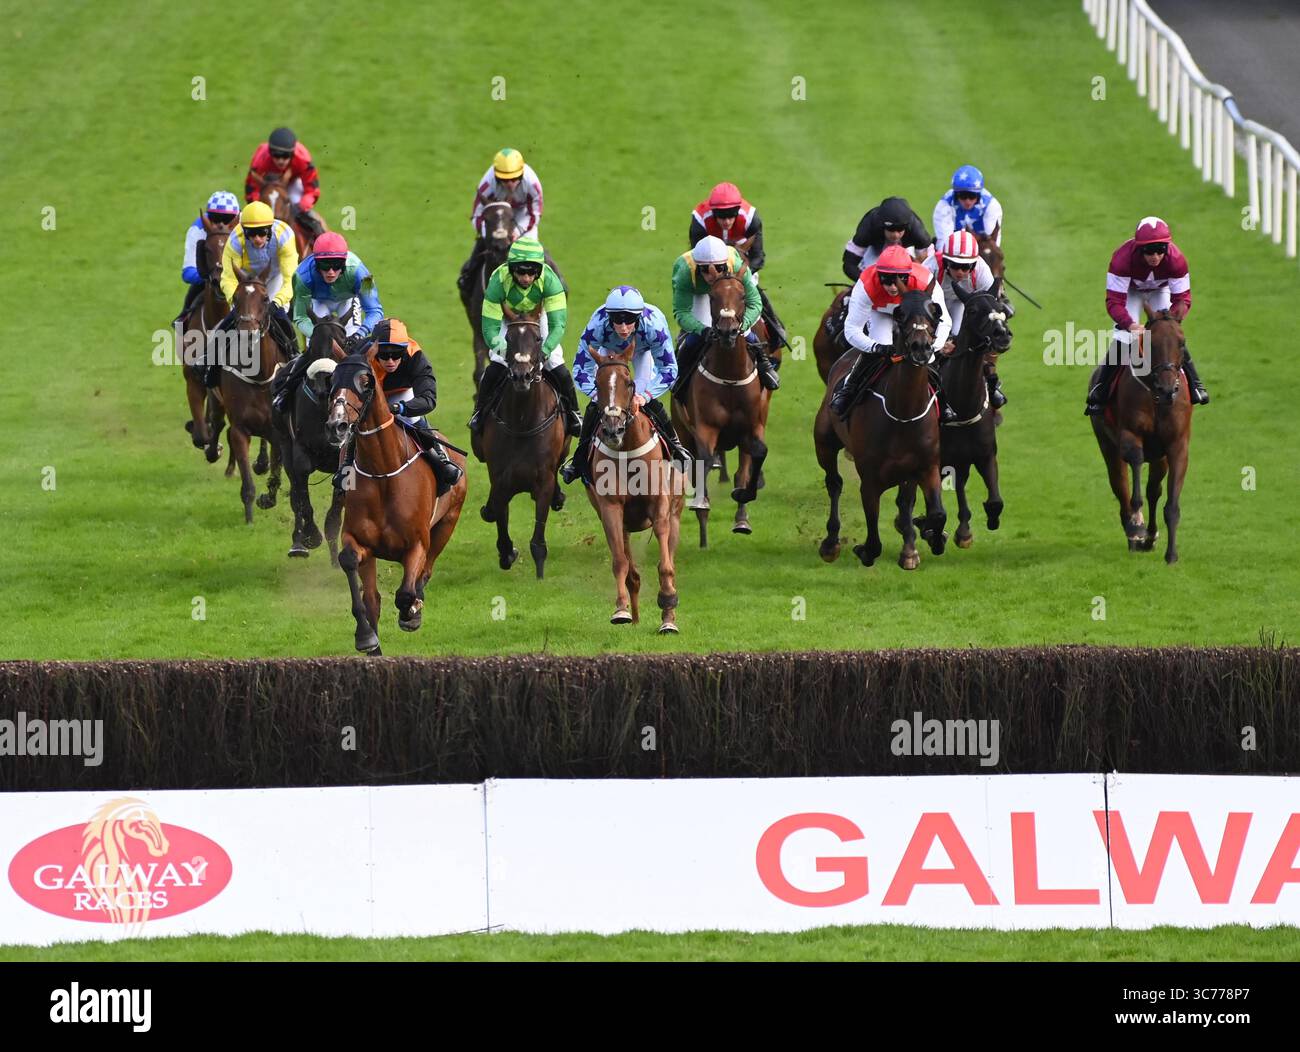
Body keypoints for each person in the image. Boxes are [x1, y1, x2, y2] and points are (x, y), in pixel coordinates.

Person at [561, 286, 691, 485]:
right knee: (601, 403)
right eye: (617, 320)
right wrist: (600, 397)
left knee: (643, 396)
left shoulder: (653, 325)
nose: (623, 327)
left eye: (629, 320)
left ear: (638, 318)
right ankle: (579, 459)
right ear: (608, 317)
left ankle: (675, 446)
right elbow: (580, 369)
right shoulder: (597, 324)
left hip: (642, 351)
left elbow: (669, 370)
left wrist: (644, 396)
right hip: (608, 353)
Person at [1086, 216, 1206, 415]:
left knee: (1169, 337)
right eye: (1149, 251)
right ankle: (1100, 388)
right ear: (1139, 248)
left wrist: (1172, 320)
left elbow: (1183, 299)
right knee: (1125, 337)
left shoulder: (1176, 260)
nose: (1155, 256)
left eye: (1161, 250)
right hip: (1131, 291)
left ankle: (1195, 384)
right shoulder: (1122, 259)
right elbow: (1114, 302)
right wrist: (1131, 325)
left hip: (1160, 290)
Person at [334, 319, 464, 495]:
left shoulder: (416, 357)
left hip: (399, 394)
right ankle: (346, 471)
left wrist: (399, 408)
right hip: (368, 394)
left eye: (396, 355)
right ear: (373, 348)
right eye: (384, 355)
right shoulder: (361, 351)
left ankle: (439, 459)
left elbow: (428, 399)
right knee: (355, 424)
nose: (390, 361)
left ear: (404, 350)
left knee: (412, 420)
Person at [468, 237, 580, 435]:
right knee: (495, 363)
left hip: (539, 318)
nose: (527, 277)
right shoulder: (498, 279)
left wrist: (544, 352)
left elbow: (557, 326)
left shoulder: (551, 281)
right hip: (506, 319)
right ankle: (479, 413)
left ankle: (574, 413)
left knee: (555, 362)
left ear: (539, 270)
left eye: (532, 272)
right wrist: (505, 352)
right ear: (511, 268)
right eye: (521, 272)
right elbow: (489, 328)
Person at [828, 244, 952, 421]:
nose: (893, 287)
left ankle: (942, 400)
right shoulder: (866, 285)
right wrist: (877, 347)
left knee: (927, 355)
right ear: (878, 275)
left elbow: (945, 321)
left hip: (913, 316)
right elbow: (851, 329)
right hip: (880, 312)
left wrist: (934, 346)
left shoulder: (924, 280)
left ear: (908, 276)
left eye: (899, 279)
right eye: (886, 279)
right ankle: (848, 389)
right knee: (879, 349)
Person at [272, 233, 383, 414]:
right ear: (316, 264)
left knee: (354, 352)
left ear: (344, 263)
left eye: (336, 266)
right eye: (324, 266)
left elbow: (375, 310)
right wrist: (317, 335)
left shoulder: (362, 274)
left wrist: (359, 333)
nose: (330, 272)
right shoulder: (301, 276)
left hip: (347, 301)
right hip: (318, 301)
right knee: (315, 350)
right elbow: (300, 317)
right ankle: (285, 391)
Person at [670, 235, 776, 397]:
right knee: (696, 334)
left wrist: (743, 325)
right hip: (700, 294)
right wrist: (702, 330)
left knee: (745, 332)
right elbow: (681, 312)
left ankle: (765, 364)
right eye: (705, 269)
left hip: (728, 290)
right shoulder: (684, 270)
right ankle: (680, 375)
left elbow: (755, 303)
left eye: (719, 267)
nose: (713, 274)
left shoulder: (736, 263)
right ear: (697, 267)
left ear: (726, 264)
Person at [689, 181, 789, 353]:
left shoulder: (751, 218)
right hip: (709, 271)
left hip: (741, 266)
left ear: (737, 211)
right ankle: (683, 353)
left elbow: (758, 257)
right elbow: (696, 258)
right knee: (697, 321)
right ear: (713, 214)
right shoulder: (700, 220)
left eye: (730, 216)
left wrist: (738, 276)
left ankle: (775, 327)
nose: (726, 222)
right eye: (721, 217)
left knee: (755, 289)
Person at [208, 201, 299, 386]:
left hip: (274, 278)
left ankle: (294, 357)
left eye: (262, 233)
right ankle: (210, 366)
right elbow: (227, 277)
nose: (257, 239)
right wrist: (237, 300)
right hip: (246, 280)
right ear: (244, 231)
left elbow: (291, 279)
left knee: (281, 318)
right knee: (230, 322)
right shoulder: (234, 239)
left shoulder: (285, 235)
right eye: (251, 233)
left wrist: (277, 302)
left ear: (270, 230)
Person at [923, 230, 1007, 407]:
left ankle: (991, 381)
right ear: (945, 261)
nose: (960, 272)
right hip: (931, 304)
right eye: (954, 265)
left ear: (974, 265)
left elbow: (989, 306)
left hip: (962, 304)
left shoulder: (982, 271)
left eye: (966, 267)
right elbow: (920, 306)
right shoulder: (930, 267)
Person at [458, 148, 546, 297]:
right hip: (496, 219)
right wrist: (491, 235)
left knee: (533, 252)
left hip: (523, 216)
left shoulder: (532, 184)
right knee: (481, 250)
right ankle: (468, 278)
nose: (510, 184)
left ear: (522, 174)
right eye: (504, 180)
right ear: (496, 177)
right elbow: (477, 216)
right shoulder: (486, 185)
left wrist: (517, 232)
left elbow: (535, 214)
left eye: (514, 179)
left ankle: (549, 287)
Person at [244, 127, 324, 239]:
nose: (281, 160)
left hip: (292, 183)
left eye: (285, 156)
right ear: (270, 153)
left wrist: (301, 206)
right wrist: (257, 206)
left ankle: (321, 239)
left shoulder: (303, 158)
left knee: (305, 213)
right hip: (268, 185)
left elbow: (312, 190)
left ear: (292, 154)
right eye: (276, 156)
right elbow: (252, 188)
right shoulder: (261, 158)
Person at [176, 191, 240, 323]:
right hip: (210, 277)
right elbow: (188, 273)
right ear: (207, 217)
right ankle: (183, 320)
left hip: (240, 275)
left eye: (227, 219)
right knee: (191, 300)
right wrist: (211, 276)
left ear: (237, 219)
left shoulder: (247, 226)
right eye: (215, 218)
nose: (221, 225)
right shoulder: (197, 231)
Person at [842, 196, 932, 279]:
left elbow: (929, 267)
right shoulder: (869, 226)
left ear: (907, 226)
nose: (896, 235)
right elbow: (849, 264)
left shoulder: (918, 232)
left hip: (906, 250)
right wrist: (866, 283)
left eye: (900, 229)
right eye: (891, 229)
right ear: (882, 225)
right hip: (875, 252)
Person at [932, 164, 1003, 247]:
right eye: (963, 196)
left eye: (972, 196)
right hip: (953, 246)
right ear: (956, 194)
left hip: (980, 246)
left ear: (979, 194)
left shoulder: (991, 206)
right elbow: (944, 243)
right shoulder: (944, 206)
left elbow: (991, 242)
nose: (967, 201)